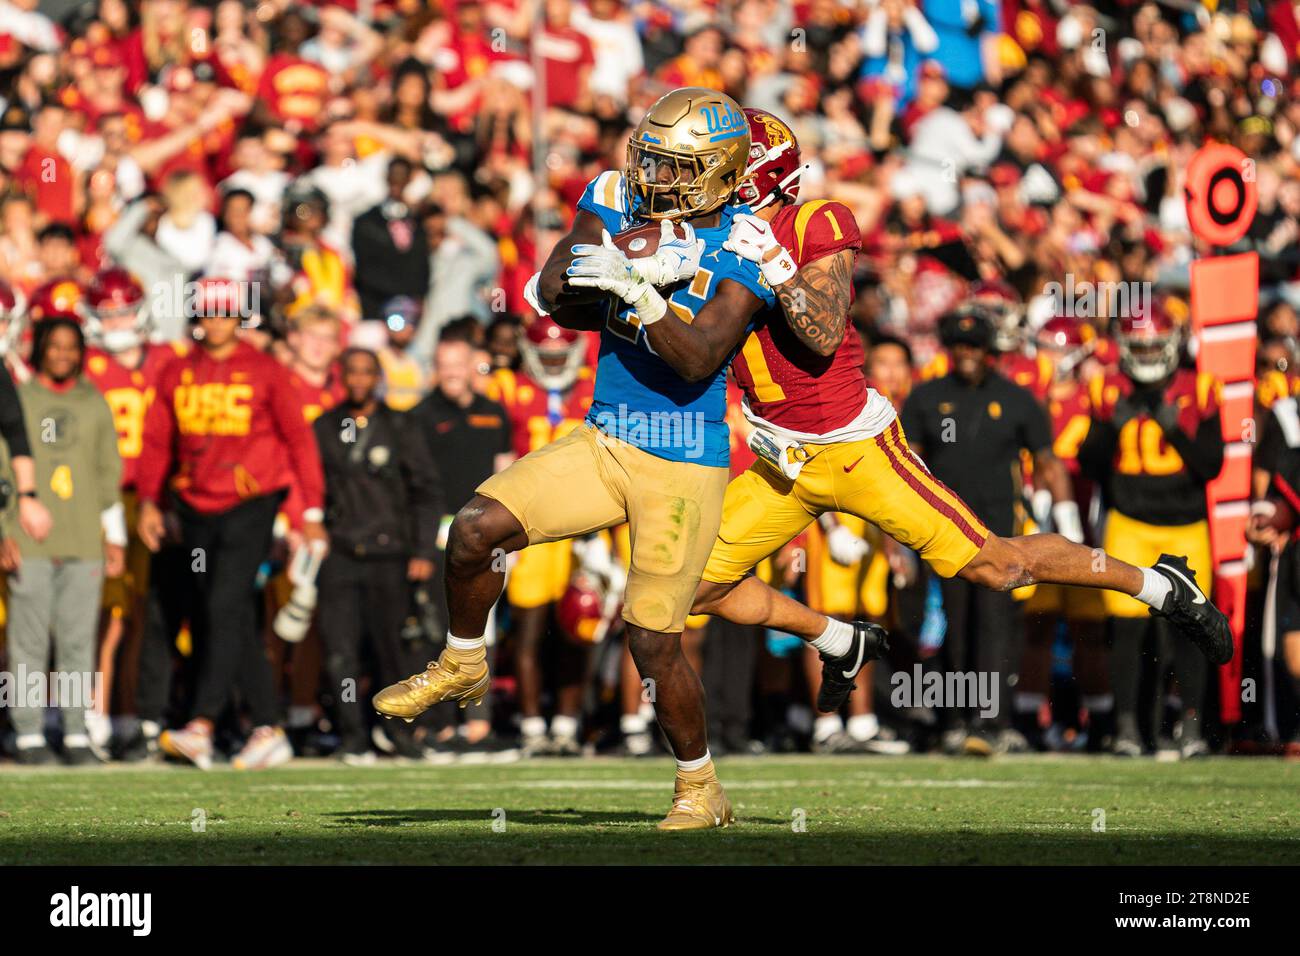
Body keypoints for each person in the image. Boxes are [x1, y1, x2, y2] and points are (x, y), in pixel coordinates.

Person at [671, 108, 1231, 746]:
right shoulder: (711, 239)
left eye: (711, 167)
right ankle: (839, 639)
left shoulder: (814, 222)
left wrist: (773, 263)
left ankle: (1159, 584)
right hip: (782, 462)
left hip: (854, 448)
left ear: (757, 176)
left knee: (998, 565)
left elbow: (822, 333)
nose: (697, 182)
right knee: (692, 589)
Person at [376, 88, 772, 829]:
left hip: (685, 459)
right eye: (650, 157)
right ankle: (462, 660)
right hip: (605, 436)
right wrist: (612, 265)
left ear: (717, 172)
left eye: (673, 165)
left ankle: (700, 787)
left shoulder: (749, 242)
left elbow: (698, 359)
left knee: (652, 641)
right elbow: (557, 286)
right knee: (474, 529)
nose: (653, 175)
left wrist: (641, 294)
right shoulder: (619, 197)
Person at [135, 278, 328, 771]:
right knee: (225, 613)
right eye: (209, 313)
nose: (217, 322)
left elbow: (298, 439)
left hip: (251, 502)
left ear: (239, 318)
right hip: (194, 504)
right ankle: (266, 726)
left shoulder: (265, 369)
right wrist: (150, 503)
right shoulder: (178, 370)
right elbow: (157, 441)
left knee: (224, 605)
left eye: (225, 313)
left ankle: (202, 723)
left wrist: (311, 512)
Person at [1078, 304, 1225, 758]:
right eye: (1137, 347)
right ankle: (1127, 726)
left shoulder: (1201, 387)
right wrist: (1111, 428)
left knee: (1191, 628)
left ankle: (1191, 728)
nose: (1145, 355)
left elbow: (1211, 466)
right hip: (1129, 523)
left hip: (1185, 526)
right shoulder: (1107, 388)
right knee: (1127, 630)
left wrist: (1175, 432)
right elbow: (1090, 464)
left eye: (1153, 346)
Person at [314, 347, 443, 764]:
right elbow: (311, 487)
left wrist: (423, 550)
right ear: (341, 376)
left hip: (390, 555)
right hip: (340, 554)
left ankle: (397, 731)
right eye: (351, 372)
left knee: (392, 651)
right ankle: (352, 735)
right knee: (340, 652)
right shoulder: (325, 426)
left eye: (366, 372)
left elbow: (426, 491)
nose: (358, 379)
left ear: (378, 378)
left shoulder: (400, 425)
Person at [4, 317, 123, 765]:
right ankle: (28, 732)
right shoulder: (19, 398)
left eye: (71, 346)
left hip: (83, 539)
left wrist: (114, 536)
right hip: (29, 538)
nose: (62, 354)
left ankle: (75, 731)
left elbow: (108, 474)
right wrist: (4, 530)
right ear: (39, 349)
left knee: (77, 643)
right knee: (28, 642)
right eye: (54, 345)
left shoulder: (94, 402)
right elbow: (3, 469)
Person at [406, 330, 515, 759]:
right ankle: (439, 727)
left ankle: (478, 727)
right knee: (440, 629)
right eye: (444, 365)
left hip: (488, 537)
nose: (452, 373)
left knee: (484, 632)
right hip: (438, 537)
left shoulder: (494, 413)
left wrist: (511, 538)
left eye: (458, 364)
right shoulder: (420, 416)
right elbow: (415, 486)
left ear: (474, 366)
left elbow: (506, 475)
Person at [491, 315, 594, 756]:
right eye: (545, 357)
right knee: (529, 630)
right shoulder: (507, 389)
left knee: (580, 627)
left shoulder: (594, 388)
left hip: (584, 528)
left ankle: (568, 725)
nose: (553, 364)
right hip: (529, 528)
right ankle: (533, 726)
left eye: (559, 356)